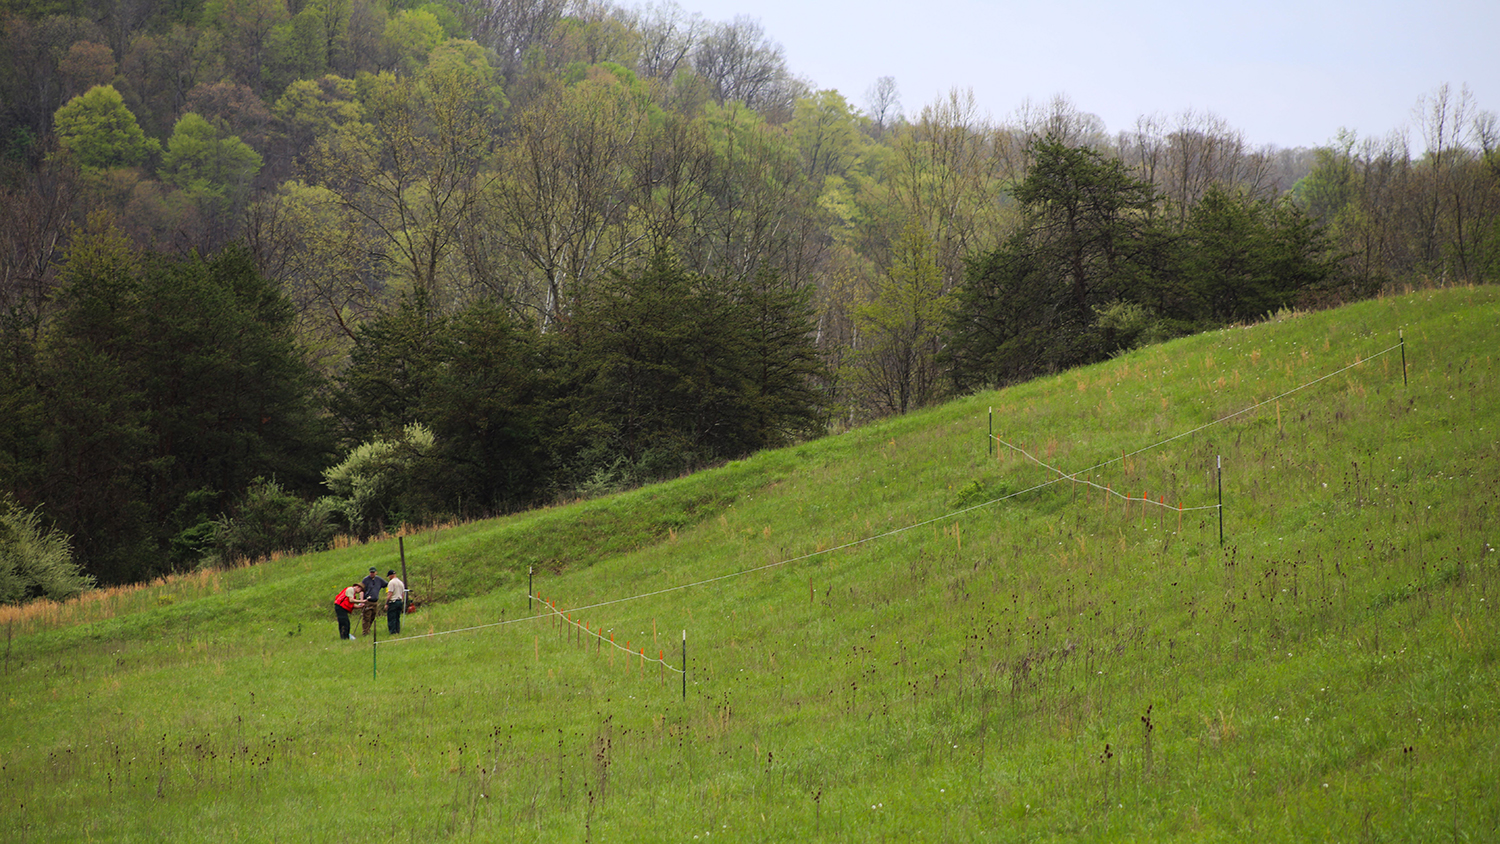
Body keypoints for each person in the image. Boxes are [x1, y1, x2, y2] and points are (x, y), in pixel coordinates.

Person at [360, 567, 387, 637]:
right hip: (368, 601)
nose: (372, 573)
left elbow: (386, 584)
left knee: (373, 616)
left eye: (373, 572)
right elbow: (361, 590)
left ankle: (368, 628)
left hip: (375, 601)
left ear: (376, 572)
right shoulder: (365, 580)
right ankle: (365, 631)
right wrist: (362, 601)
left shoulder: (379, 579)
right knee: (367, 617)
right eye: (371, 572)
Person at [384, 569, 405, 634]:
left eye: (389, 576)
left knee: (391, 617)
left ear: (391, 575)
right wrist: (402, 601)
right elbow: (403, 594)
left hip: (393, 602)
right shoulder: (401, 582)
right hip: (399, 601)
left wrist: (387, 603)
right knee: (397, 617)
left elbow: (390, 593)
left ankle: (392, 632)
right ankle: (397, 630)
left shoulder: (391, 582)